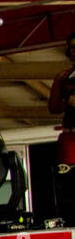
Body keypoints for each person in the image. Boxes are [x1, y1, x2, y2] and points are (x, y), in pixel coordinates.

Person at [48, 32, 75, 166]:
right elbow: (53, 107)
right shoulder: (63, 77)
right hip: (70, 137)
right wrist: (67, 103)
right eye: (72, 47)